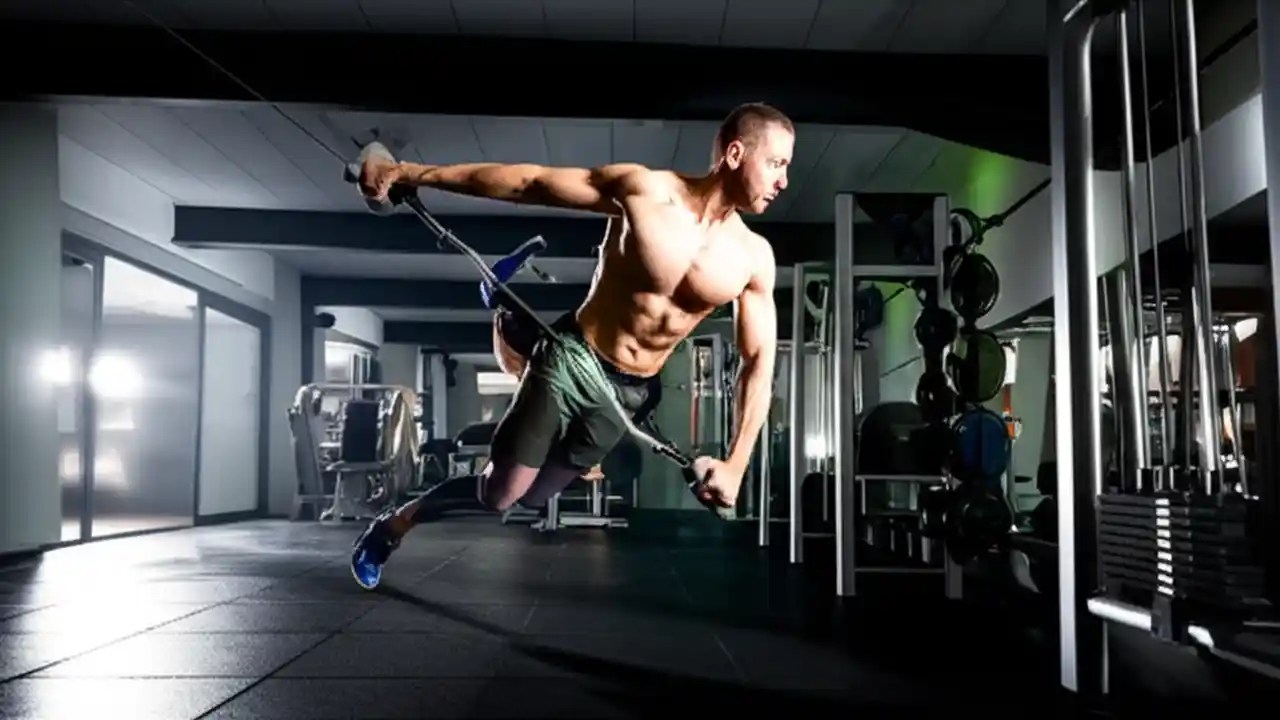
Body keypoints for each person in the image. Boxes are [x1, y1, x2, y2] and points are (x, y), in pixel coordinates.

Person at [349, 102, 792, 589]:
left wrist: (736, 464)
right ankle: (396, 523)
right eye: (777, 164)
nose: (783, 181)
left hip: (630, 395)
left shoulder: (753, 258)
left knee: (535, 499)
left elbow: (758, 362)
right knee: (502, 495)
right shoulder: (644, 191)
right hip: (573, 357)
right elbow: (530, 183)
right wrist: (408, 172)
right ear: (735, 153)